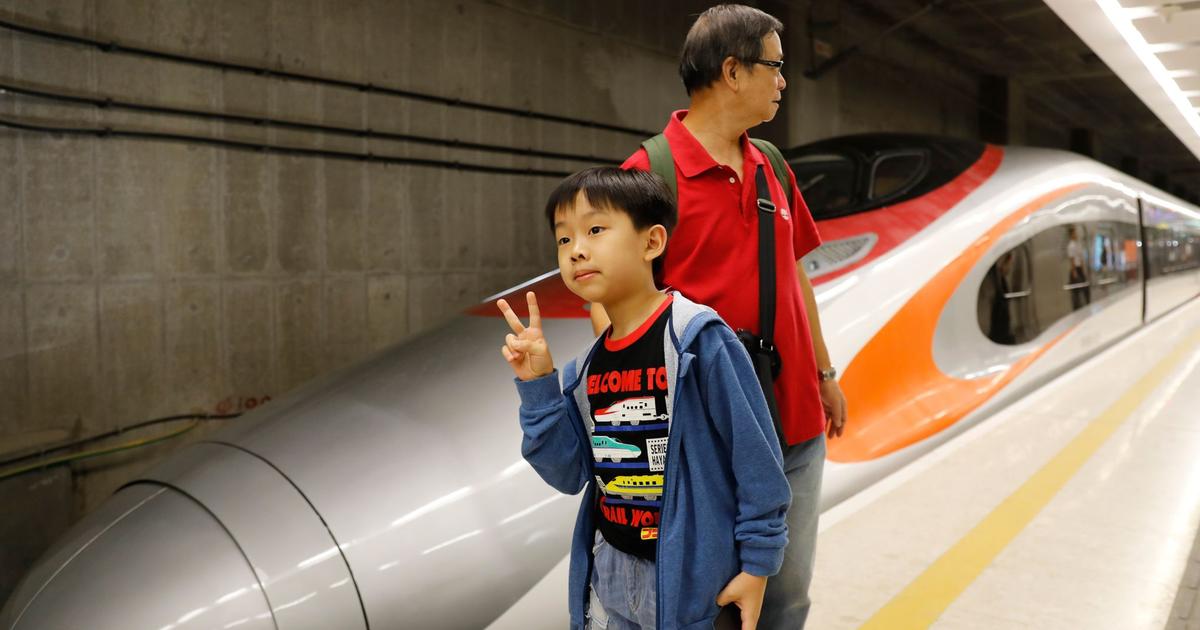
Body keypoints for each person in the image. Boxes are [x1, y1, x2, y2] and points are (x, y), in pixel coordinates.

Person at [589, 5, 849, 628]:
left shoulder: (773, 169)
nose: (784, 81)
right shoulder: (648, 175)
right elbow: (605, 298)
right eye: (775, 67)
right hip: (703, 439)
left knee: (787, 597)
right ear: (733, 71)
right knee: (707, 602)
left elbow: (795, 276)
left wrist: (824, 373)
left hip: (793, 422)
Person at [497, 167, 791, 629]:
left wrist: (758, 564)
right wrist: (539, 385)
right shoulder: (584, 370)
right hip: (612, 572)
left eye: (595, 229)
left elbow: (756, 460)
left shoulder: (699, 342)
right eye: (563, 240)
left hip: (692, 579)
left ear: (652, 242)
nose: (576, 250)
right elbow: (569, 473)